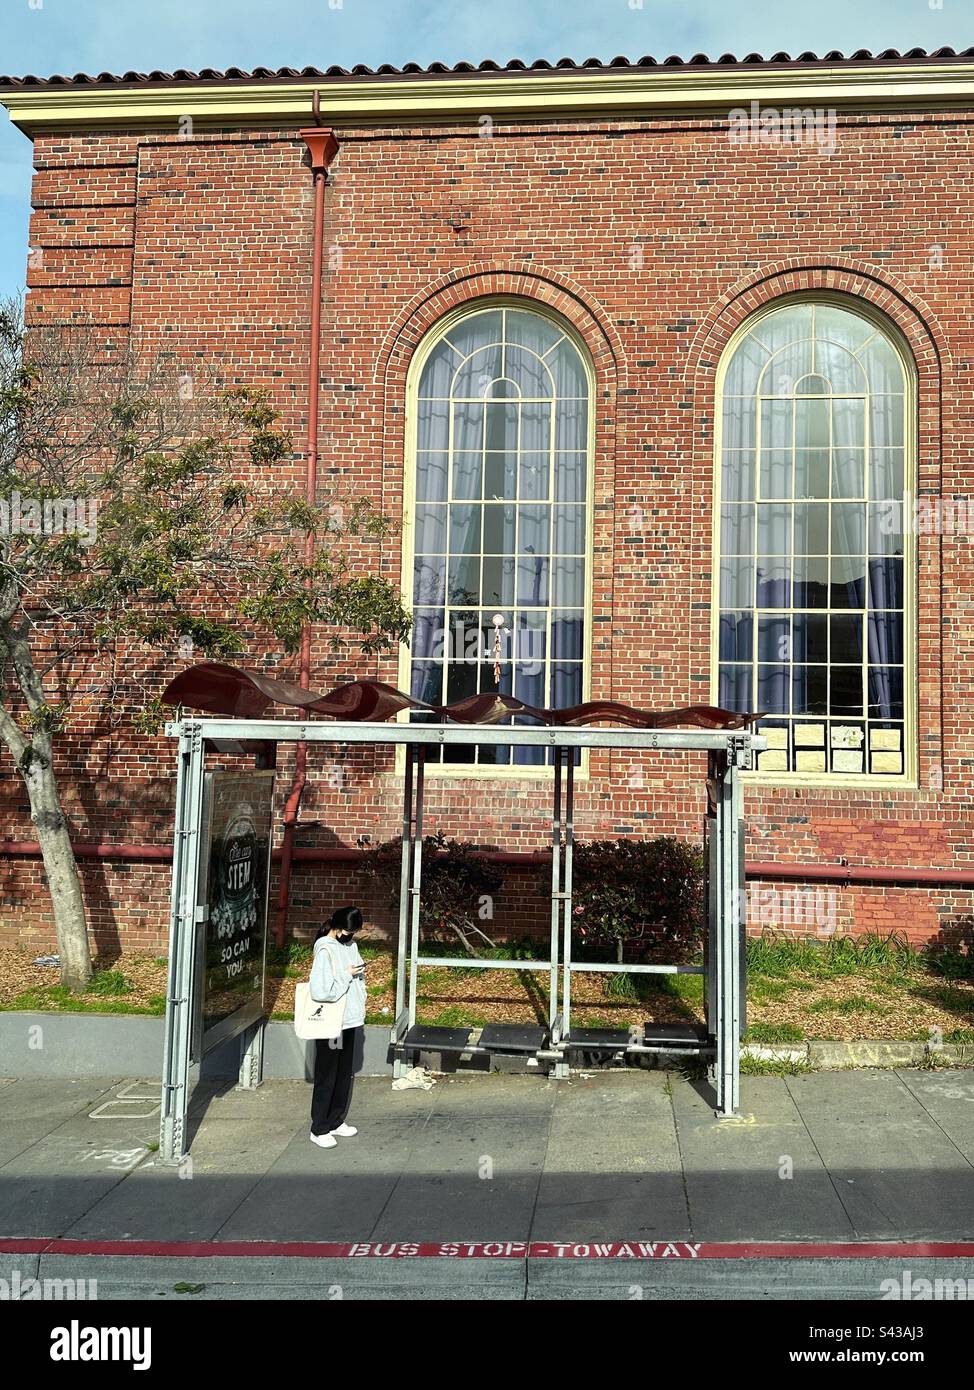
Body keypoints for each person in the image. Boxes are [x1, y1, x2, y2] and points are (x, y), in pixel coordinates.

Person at [308, 905, 367, 1149]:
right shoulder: (325, 949)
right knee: (327, 1074)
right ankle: (319, 1127)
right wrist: (347, 974)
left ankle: (335, 1120)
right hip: (332, 1020)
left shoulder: (351, 946)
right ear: (338, 927)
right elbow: (321, 990)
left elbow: (356, 973)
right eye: (348, 931)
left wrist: (358, 974)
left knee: (344, 1073)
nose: (351, 936)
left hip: (350, 1018)